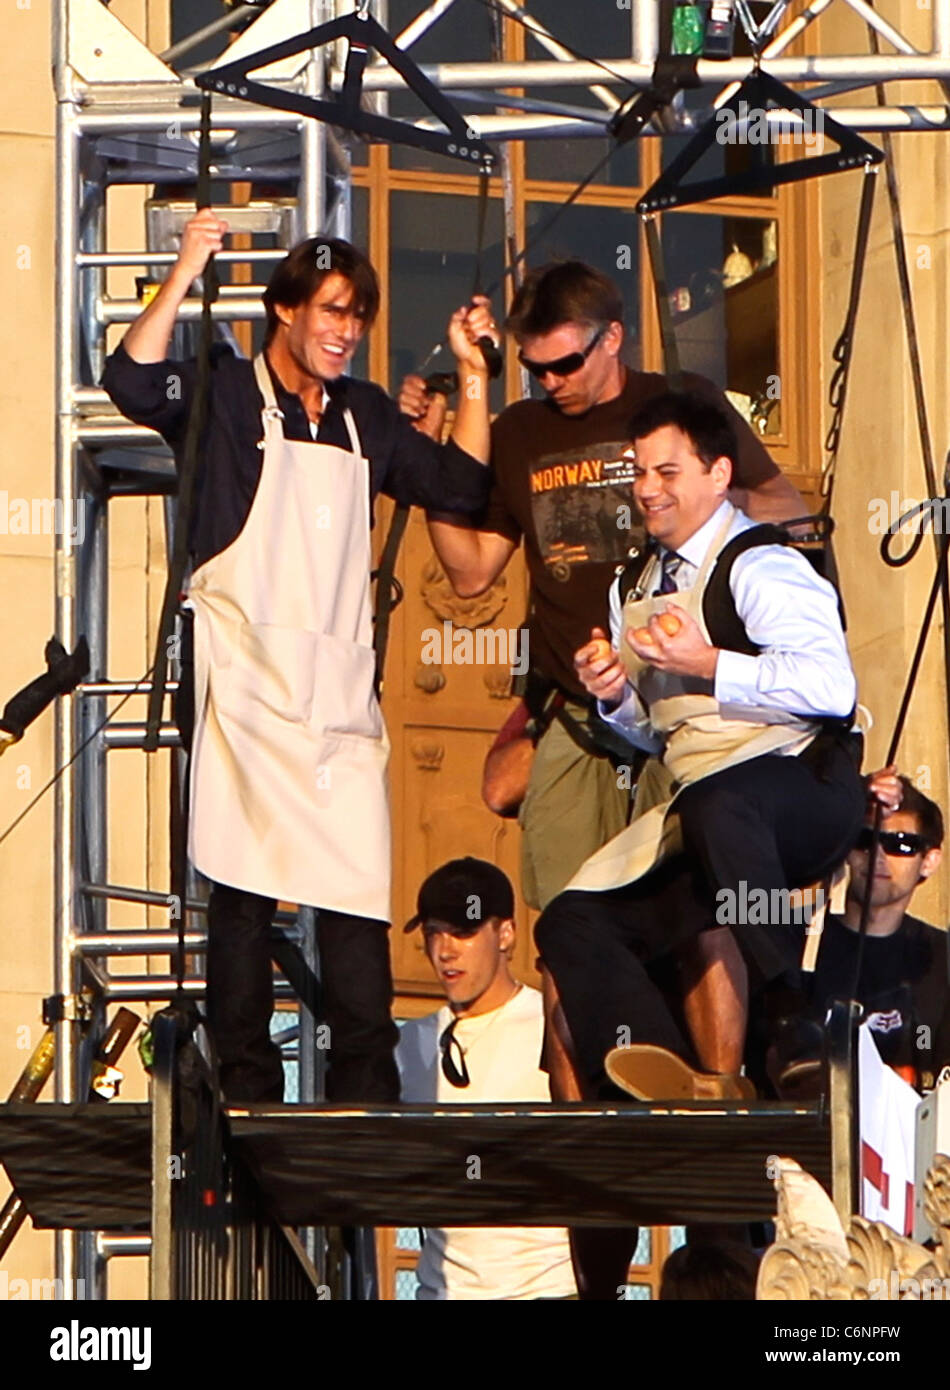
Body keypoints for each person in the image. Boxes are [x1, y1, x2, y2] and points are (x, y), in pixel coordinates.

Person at [102, 209, 496, 1103]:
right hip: (242, 687)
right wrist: (189, 264)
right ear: (283, 310)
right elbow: (128, 378)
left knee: (355, 898)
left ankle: (364, 1097)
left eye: (356, 315)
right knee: (241, 896)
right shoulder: (226, 394)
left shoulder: (364, 417)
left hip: (335, 704)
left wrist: (474, 377)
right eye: (329, 310)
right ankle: (247, 1088)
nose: (345, 331)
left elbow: (462, 486)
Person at [400, 259, 805, 912]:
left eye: (565, 364)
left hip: (686, 701)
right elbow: (472, 572)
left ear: (612, 337)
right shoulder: (520, 434)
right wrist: (430, 471)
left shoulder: (680, 399)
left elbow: (781, 504)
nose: (551, 382)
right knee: (568, 921)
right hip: (578, 706)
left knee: (693, 916)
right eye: (536, 370)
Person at [536, 389, 866, 1104]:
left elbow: (832, 687)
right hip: (702, 804)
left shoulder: (761, 565)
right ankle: (667, 1071)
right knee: (571, 918)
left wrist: (711, 660)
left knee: (722, 807)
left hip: (802, 786)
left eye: (667, 473)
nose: (647, 490)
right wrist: (615, 695)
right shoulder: (632, 584)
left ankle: (792, 1017)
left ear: (717, 475)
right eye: (640, 473)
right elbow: (656, 734)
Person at [396, 858, 576, 1300]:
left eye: (462, 932)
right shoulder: (406, 1046)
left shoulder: (552, 1026)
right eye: (433, 933)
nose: (445, 950)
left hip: (548, 1289)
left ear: (506, 934)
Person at [768, 771, 950, 1095]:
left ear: (929, 861)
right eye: (864, 840)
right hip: (804, 1136)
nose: (878, 856)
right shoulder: (794, 940)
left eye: (900, 845)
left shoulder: (942, 957)